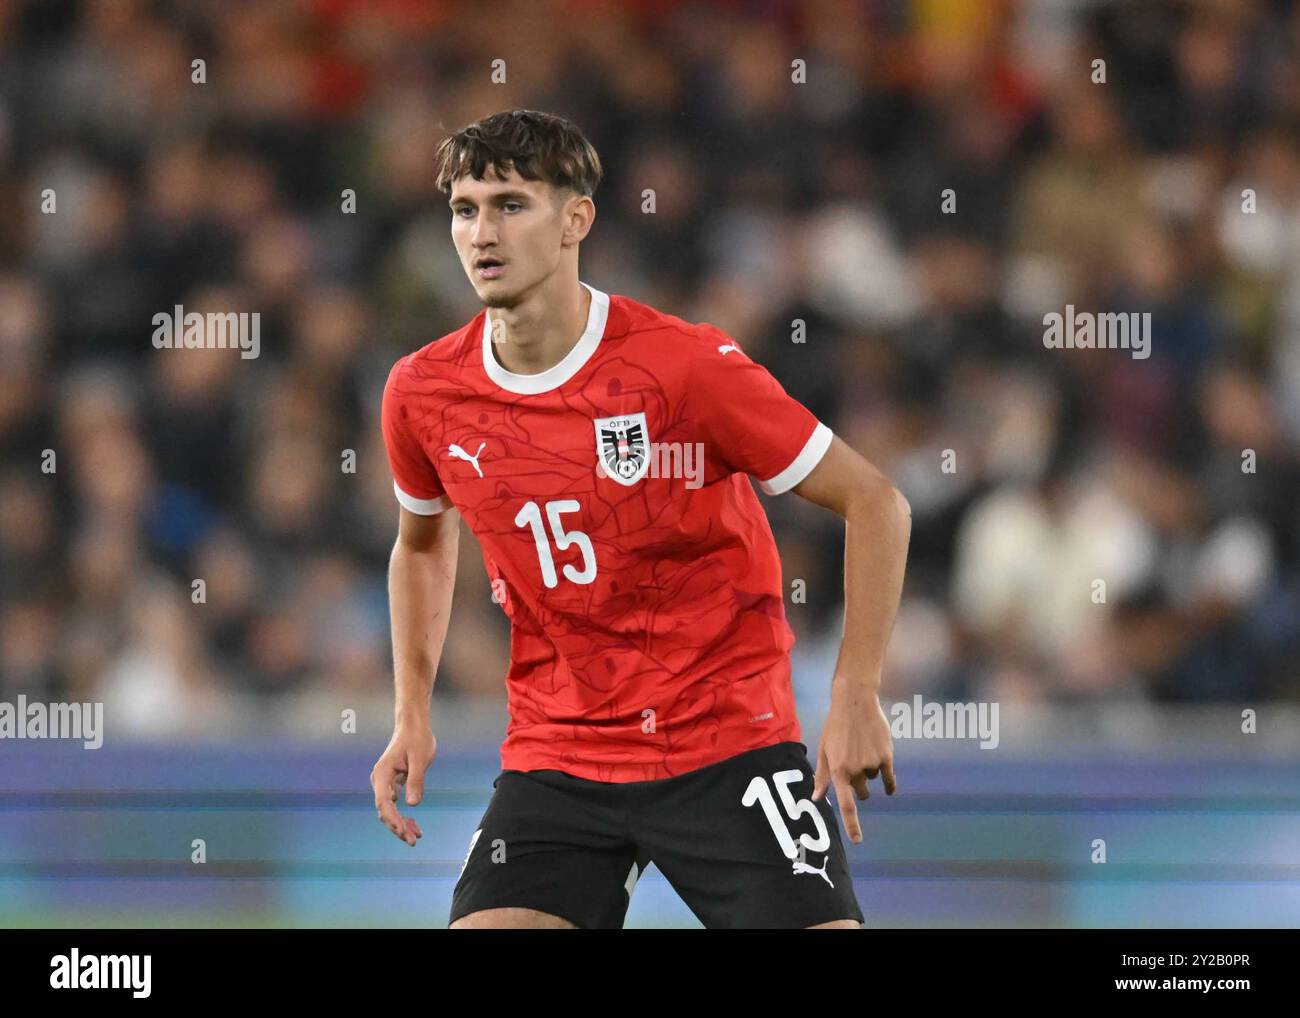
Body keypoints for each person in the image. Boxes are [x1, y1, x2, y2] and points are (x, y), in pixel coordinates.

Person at [371, 109, 911, 929]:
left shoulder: (681, 367)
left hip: (726, 742)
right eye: (464, 207)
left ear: (575, 219)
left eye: (511, 205)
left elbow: (875, 501)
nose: (482, 231)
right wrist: (411, 710)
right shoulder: (422, 392)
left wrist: (856, 691)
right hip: (559, 757)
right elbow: (420, 543)